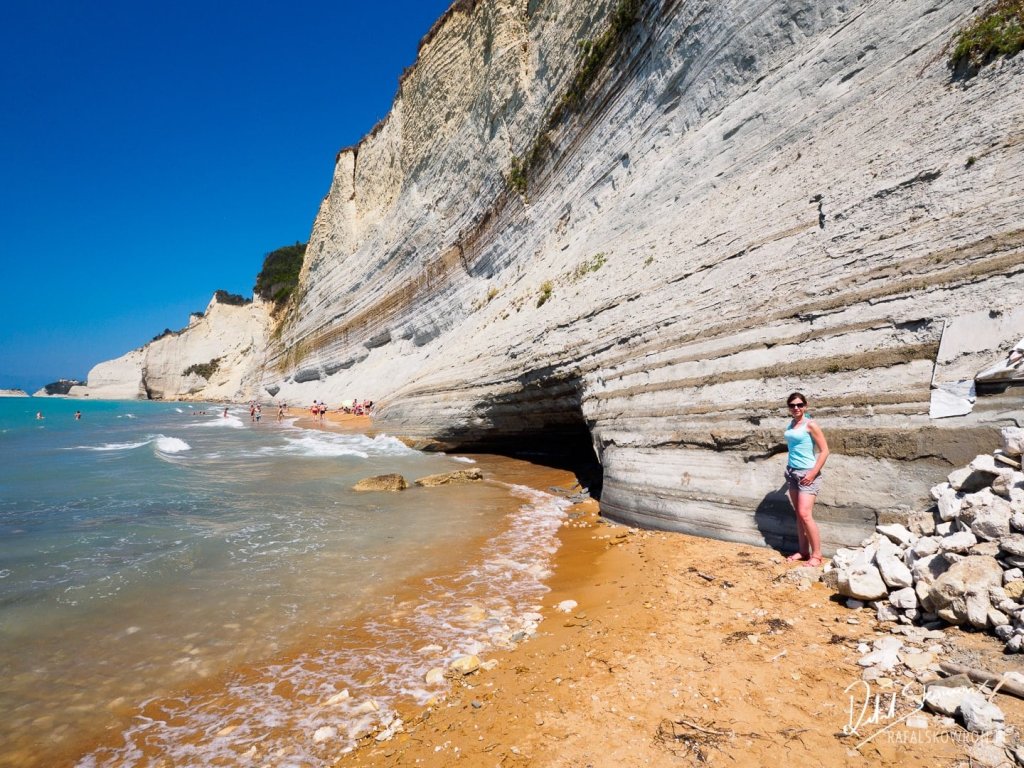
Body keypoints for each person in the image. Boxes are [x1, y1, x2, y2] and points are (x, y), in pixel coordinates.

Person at [783, 392, 829, 567]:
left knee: (805, 514)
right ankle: (803, 552)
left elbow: (825, 451)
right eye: (792, 405)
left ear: (805, 406)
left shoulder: (811, 425)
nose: (796, 408)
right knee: (799, 515)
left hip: (808, 473)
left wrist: (812, 473)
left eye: (799, 405)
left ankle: (817, 555)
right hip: (793, 473)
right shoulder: (793, 423)